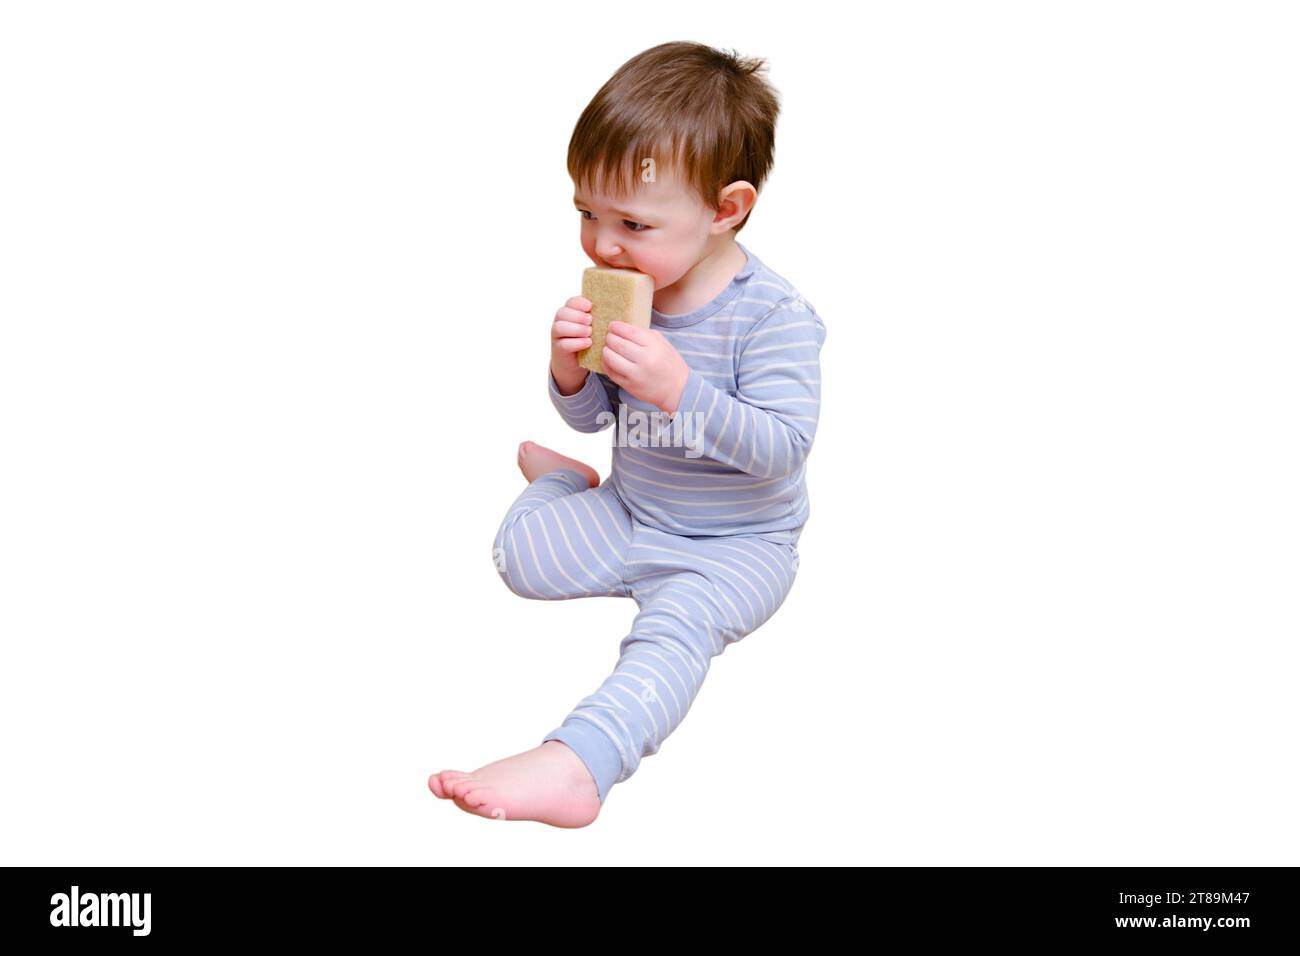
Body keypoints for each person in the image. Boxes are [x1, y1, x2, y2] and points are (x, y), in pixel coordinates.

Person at [429, 40, 827, 827]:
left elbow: (782, 448)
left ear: (725, 209)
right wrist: (571, 373)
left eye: (633, 222)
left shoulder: (773, 317)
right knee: (520, 559)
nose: (602, 245)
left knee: (674, 631)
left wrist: (679, 388)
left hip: (738, 543)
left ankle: (580, 765)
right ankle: (563, 483)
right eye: (586, 212)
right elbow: (597, 418)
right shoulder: (632, 294)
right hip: (635, 509)